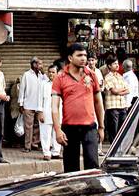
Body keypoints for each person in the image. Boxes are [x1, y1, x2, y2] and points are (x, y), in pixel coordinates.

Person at [53, 43, 105, 173]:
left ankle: (93, 193)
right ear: (70, 58)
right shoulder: (60, 77)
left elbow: (98, 102)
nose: (84, 58)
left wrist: (101, 127)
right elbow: (54, 106)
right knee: (71, 169)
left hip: (89, 127)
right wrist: (58, 130)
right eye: (80, 55)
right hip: (69, 128)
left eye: (85, 55)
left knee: (93, 167)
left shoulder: (92, 75)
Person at [18, 58, 47, 152]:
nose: (41, 66)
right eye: (39, 64)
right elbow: (22, 90)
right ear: (34, 64)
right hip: (28, 105)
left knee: (38, 126)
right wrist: (21, 104)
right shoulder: (26, 75)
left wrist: (43, 73)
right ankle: (27, 146)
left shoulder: (42, 75)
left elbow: (49, 82)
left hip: (39, 105)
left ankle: (35, 143)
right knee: (28, 127)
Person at [102, 56, 132, 139]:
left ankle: (120, 149)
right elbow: (114, 91)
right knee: (113, 130)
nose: (117, 65)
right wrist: (121, 90)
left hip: (122, 105)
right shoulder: (107, 77)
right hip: (112, 107)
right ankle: (114, 149)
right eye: (114, 64)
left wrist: (119, 91)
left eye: (117, 63)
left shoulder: (120, 76)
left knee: (122, 129)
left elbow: (128, 91)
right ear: (109, 66)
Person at [40, 63, 61, 160]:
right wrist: (39, 112)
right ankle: (46, 153)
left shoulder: (61, 84)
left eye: (53, 72)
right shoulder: (43, 84)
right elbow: (39, 99)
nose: (51, 74)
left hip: (58, 113)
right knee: (45, 134)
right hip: (46, 112)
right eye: (49, 72)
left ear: (58, 73)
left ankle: (56, 152)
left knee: (57, 132)